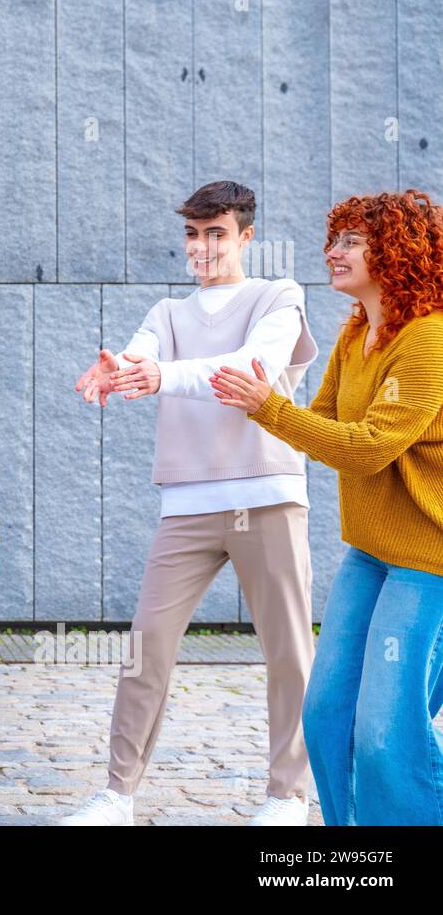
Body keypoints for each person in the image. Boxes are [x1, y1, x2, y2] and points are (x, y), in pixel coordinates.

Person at [62, 179, 319, 826]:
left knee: (288, 650)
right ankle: (117, 795)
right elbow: (138, 356)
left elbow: (250, 373)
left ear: (246, 237)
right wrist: (117, 370)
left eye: (216, 233)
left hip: (268, 495)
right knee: (146, 644)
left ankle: (288, 795)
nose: (202, 246)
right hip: (187, 504)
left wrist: (157, 377)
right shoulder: (166, 314)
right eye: (192, 234)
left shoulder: (279, 297)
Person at [211, 189, 443, 825]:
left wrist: (267, 406)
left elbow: (366, 449)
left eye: (351, 242)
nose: (331, 252)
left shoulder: (427, 341)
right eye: (334, 238)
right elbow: (322, 425)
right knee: (327, 716)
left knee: (385, 735)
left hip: (430, 566)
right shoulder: (358, 330)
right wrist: (251, 398)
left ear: (396, 253)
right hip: (371, 554)